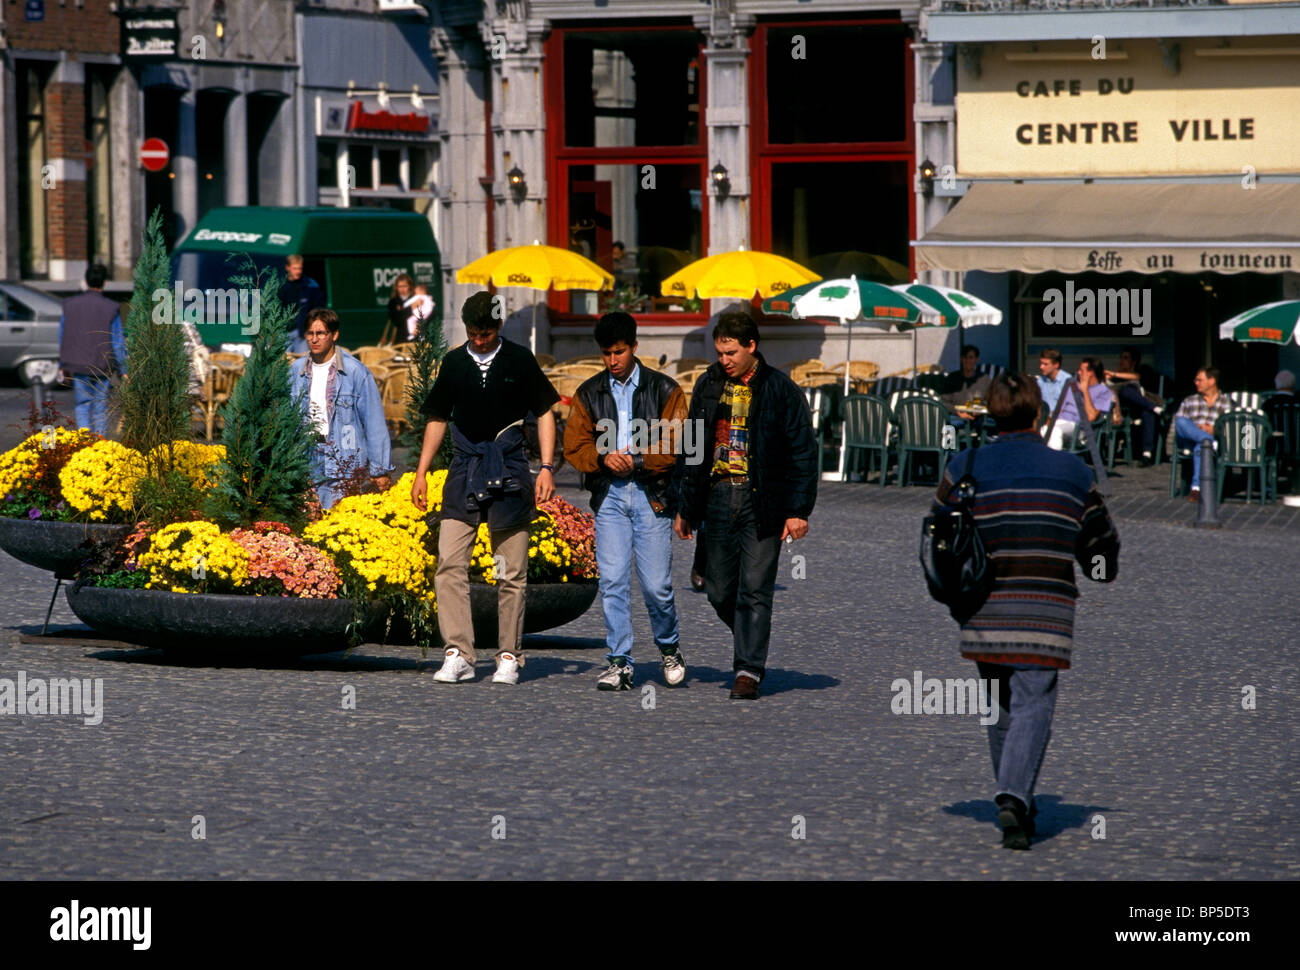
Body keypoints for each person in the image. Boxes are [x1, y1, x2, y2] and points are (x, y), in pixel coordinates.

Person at [932, 372, 1119, 850]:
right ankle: (1013, 795)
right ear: (1038, 412)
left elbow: (937, 531)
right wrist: (1098, 566)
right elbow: (1100, 548)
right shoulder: (1073, 472)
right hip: (1045, 608)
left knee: (1000, 705)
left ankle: (1016, 800)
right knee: (1034, 700)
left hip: (982, 607)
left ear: (991, 412)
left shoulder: (965, 465)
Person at [412, 291, 559, 686]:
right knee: (449, 563)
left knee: (510, 571)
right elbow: (438, 417)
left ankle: (509, 654)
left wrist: (545, 467)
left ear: (498, 327)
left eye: (486, 333)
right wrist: (422, 471)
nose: (479, 340)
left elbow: (545, 411)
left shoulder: (519, 360)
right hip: (464, 467)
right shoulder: (454, 362)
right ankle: (458, 652)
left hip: (510, 466)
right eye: (473, 333)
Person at [671, 310, 818, 700]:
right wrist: (684, 506)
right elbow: (691, 447)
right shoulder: (708, 384)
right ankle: (751, 634)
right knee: (719, 590)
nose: (724, 360)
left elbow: (803, 452)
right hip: (717, 496)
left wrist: (798, 511)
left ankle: (748, 671)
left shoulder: (780, 389)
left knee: (755, 589)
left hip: (761, 499)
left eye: (731, 352)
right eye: (720, 352)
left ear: (752, 347)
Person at [563, 311, 689, 691]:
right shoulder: (589, 393)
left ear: (635, 347)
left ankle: (669, 647)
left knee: (656, 586)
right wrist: (602, 459)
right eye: (606, 354)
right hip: (610, 498)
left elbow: (679, 442)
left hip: (652, 496)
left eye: (619, 352)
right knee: (613, 580)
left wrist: (635, 460)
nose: (613, 361)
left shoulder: (666, 390)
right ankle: (619, 661)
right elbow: (574, 445)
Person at [289, 308, 392, 509]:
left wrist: (380, 469)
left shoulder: (355, 371)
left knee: (338, 528)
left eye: (321, 333)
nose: (314, 339)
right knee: (308, 528)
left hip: (344, 460)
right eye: (310, 334)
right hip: (306, 460)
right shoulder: (295, 371)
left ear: (334, 335)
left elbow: (374, 422)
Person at [59, 263, 127, 435]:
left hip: (78, 363)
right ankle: (99, 443)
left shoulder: (70, 305)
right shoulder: (111, 307)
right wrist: (123, 369)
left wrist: (63, 363)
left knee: (82, 404)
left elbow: (63, 336)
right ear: (104, 282)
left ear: (85, 280)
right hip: (102, 365)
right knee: (101, 406)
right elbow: (117, 341)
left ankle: (84, 441)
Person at [1173, 365, 1233, 502]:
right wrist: (1198, 430)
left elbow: (1231, 428)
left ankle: (1196, 488)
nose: (1196, 383)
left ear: (1212, 381)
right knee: (1181, 421)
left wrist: (1214, 429)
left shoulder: (1227, 403)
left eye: (1199, 380)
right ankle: (1207, 440)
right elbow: (1179, 425)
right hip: (1189, 440)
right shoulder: (1190, 400)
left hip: (1212, 441)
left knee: (1203, 444)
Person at [1105, 347, 1164, 465]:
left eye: (1126, 358)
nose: (1122, 360)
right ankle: (1155, 408)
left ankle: (1147, 453)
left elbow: (1137, 377)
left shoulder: (1142, 370)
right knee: (1126, 391)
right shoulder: (1116, 377)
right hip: (1124, 410)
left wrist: (1115, 373)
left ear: (1134, 361)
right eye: (1121, 357)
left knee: (1148, 412)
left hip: (1140, 406)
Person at [1044, 357, 1112, 451]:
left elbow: (1091, 417)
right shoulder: (1073, 387)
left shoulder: (1103, 391)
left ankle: (1055, 461)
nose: (1078, 373)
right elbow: (1060, 410)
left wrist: (1085, 391)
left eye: (1081, 370)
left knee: (1055, 430)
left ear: (1091, 373)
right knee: (1042, 431)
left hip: (1079, 430)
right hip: (1061, 423)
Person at [280, 255, 325, 354]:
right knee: (281, 363)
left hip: (302, 332)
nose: (298, 271)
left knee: (302, 362)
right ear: (287, 268)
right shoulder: (279, 285)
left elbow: (319, 309)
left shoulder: (311, 285)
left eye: (300, 268)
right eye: (295, 268)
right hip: (282, 332)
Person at [940, 345, 992, 416]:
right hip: (956, 418)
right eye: (965, 357)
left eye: (971, 357)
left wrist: (979, 410)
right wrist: (958, 412)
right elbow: (943, 401)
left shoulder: (984, 379)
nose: (968, 361)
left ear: (976, 359)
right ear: (961, 359)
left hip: (979, 419)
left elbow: (990, 401)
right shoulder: (952, 378)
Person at [1036, 348, 1068, 419]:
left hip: (1063, 419)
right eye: (1041, 363)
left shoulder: (1067, 381)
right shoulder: (1040, 381)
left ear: (1056, 365)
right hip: (1045, 419)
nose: (1041, 367)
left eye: (1045, 364)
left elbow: (1068, 408)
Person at [384, 274, 414, 345]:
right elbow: (397, 321)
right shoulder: (393, 302)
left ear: (409, 286)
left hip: (415, 338)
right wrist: (409, 309)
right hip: (399, 339)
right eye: (400, 286)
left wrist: (401, 310)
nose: (402, 289)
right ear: (396, 287)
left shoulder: (416, 299)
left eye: (405, 286)